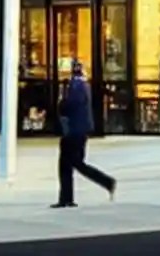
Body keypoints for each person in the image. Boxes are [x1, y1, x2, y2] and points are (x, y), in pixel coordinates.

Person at [52, 60, 116, 208]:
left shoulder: (76, 85)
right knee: (70, 164)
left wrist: (61, 105)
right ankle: (66, 198)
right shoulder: (83, 85)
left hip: (73, 131)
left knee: (72, 164)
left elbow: (71, 105)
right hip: (79, 130)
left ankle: (106, 182)